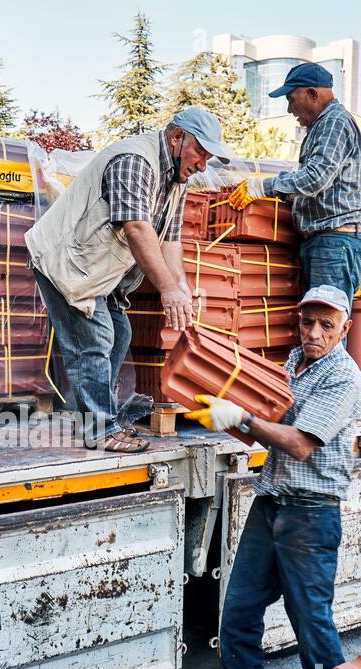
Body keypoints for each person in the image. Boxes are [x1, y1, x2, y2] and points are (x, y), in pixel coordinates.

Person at [185, 285, 361, 669]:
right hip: (272, 501)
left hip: (312, 512)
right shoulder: (294, 363)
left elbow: (300, 443)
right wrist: (225, 417)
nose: (314, 333)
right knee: (239, 608)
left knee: (309, 617)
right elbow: (269, 433)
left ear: (345, 328)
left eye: (326, 325)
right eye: (307, 323)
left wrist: (243, 417)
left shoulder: (342, 376)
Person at [26, 106, 237, 452]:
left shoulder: (177, 179)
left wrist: (180, 286)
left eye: (208, 157)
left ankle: (100, 416)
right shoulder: (134, 161)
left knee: (120, 332)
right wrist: (166, 289)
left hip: (99, 269)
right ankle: (99, 429)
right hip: (67, 260)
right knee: (94, 339)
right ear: (176, 137)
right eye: (200, 152)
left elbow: (169, 238)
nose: (203, 164)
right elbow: (137, 228)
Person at [228, 63, 361, 306]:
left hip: (335, 244)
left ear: (312, 94)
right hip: (327, 243)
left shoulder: (334, 122)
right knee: (315, 328)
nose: (289, 108)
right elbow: (321, 183)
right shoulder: (322, 125)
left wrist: (262, 187)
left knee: (324, 329)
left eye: (291, 99)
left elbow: (316, 177)